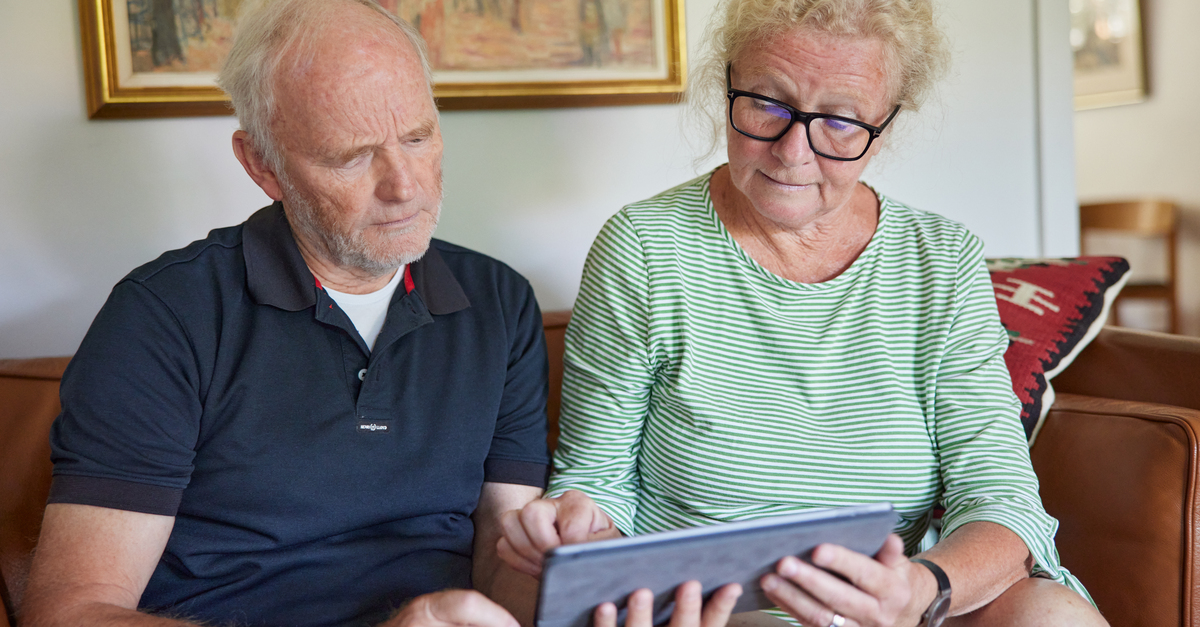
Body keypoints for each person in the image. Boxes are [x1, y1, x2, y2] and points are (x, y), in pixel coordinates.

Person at [22, 1, 743, 626]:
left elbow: (501, 567)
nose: (405, 186)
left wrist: (565, 570)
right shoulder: (164, 317)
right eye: (351, 156)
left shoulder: (498, 304)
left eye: (419, 137)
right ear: (262, 165)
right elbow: (69, 609)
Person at [497, 1, 1110, 626]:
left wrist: (921, 590)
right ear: (727, 85)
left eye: (841, 121)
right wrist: (579, 529)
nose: (793, 152)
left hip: (899, 605)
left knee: (1051, 614)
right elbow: (596, 482)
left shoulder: (943, 261)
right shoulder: (645, 248)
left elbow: (1002, 499)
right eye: (766, 103)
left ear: (886, 127)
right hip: (711, 608)